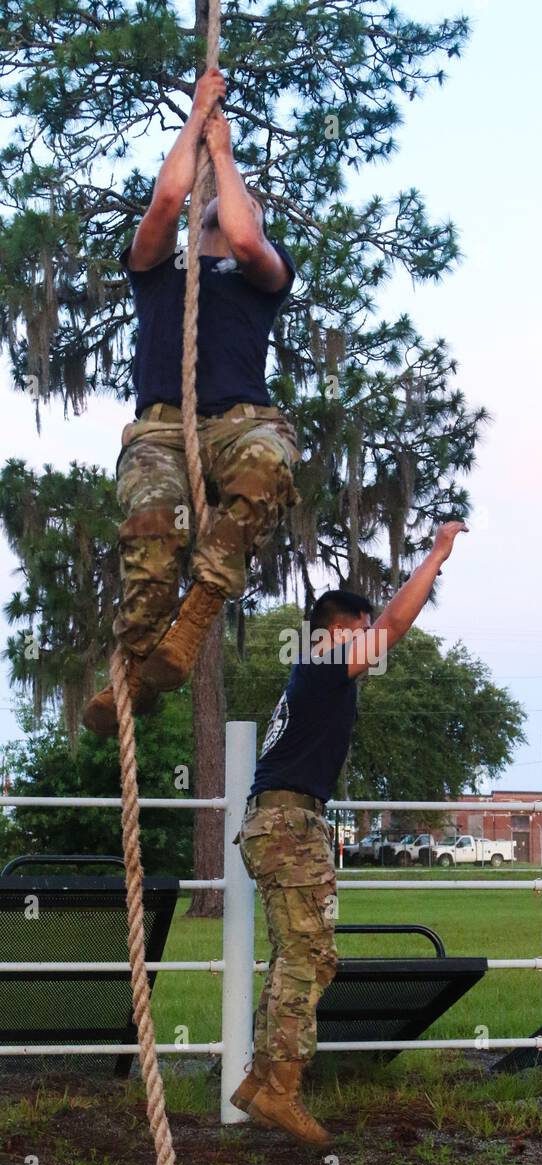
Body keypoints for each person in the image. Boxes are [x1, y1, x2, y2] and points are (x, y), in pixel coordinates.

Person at [230, 519, 468, 1144]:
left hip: (279, 820)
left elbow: (382, 629)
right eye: (358, 633)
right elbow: (392, 626)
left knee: (296, 952)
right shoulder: (323, 663)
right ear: (338, 633)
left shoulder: (312, 677)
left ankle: (261, 1081)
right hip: (287, 824)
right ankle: (281, 1089)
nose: (370, 645)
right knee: (310, 955)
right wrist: (436, 555)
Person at [84, 68, 301, 735]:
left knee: (269, 462)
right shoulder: (155, 268)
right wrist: (198, 118)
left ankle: (204, 601)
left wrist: (227, 158)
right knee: (152, 532)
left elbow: (242, 236)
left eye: (244, 202)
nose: (230, 206)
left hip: (240, 425)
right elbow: (167, 198)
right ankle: (140, 662)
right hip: (162, 429)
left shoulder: (263, 272)